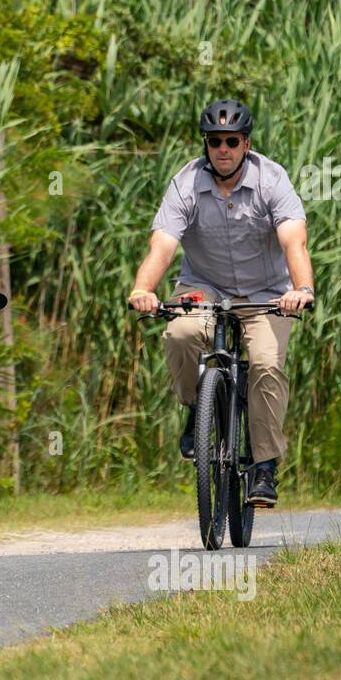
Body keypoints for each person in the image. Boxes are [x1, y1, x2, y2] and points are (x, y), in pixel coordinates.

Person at [127, 98, 315, 506]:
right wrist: (143, 289)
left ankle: (264, 468)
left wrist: (301, 289)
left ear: (246, 143)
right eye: (215, 141)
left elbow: (293, 240)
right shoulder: (186, 182)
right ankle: (198, 408)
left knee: (265, 362)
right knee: (181, 331)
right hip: (204, 286)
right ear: (206, 145)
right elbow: (161, 245)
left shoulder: (272, 179)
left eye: (232, 140)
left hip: (267, 293)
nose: (223, 149)